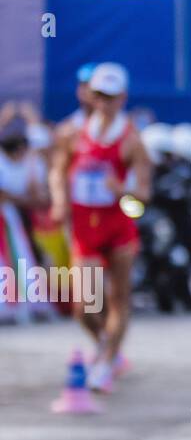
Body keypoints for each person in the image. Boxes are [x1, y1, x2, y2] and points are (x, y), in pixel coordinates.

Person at [47, 63, 152, 392]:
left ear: (122, 98)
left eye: (111, 97)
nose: (104, 103)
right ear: (90, 96)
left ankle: (106, 363)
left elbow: (143, 198)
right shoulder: (71, 134)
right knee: (85, 307)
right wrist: (59, 200)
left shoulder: (132, 141)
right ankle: (108, 345)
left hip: (118, 224)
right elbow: (57, 172)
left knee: (119, 299)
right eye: (99, 96)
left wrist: (122, 191)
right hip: (84, 227)